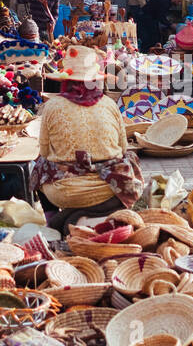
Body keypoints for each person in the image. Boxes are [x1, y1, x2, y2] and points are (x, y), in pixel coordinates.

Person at [31, 45, 144, 217]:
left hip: (65, 193)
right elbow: (122, 149)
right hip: (110, 188)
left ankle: (53, 220)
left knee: (40, 163)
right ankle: (99, 209)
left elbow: (45, 151)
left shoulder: (52, 106)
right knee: (130, 158)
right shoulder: (109, 104)